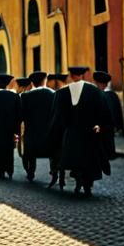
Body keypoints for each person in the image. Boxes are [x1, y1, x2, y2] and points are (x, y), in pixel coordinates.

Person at [48, 65, 113, 196]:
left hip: (70, 134)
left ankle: (78, 182)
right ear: (83, 75)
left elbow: (56, 118)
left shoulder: (61, 93)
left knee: (75, 161)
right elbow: (104, 113)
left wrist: (54, 136)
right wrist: (99, 126)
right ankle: (87, 185)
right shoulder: (95, 91)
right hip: (89, 134)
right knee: (89, 161)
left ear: (71, 76)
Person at [19, 71, 56, 184]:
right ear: (45, 80)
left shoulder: (25, 96)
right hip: (50, 133)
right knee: (53, 153)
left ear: (32, 82)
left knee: (29, 154)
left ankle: (30, 172)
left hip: (32, 134)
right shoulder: (54, 94)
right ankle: (54, 171)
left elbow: (21, 115)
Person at [92, 71, 122, 159]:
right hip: (110, 125)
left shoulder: (101, 95)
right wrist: (118, 125)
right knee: (109, 140)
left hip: (102, 124)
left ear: (99, 83)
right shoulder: (113, 95)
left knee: (103, 141)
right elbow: (117, 111)